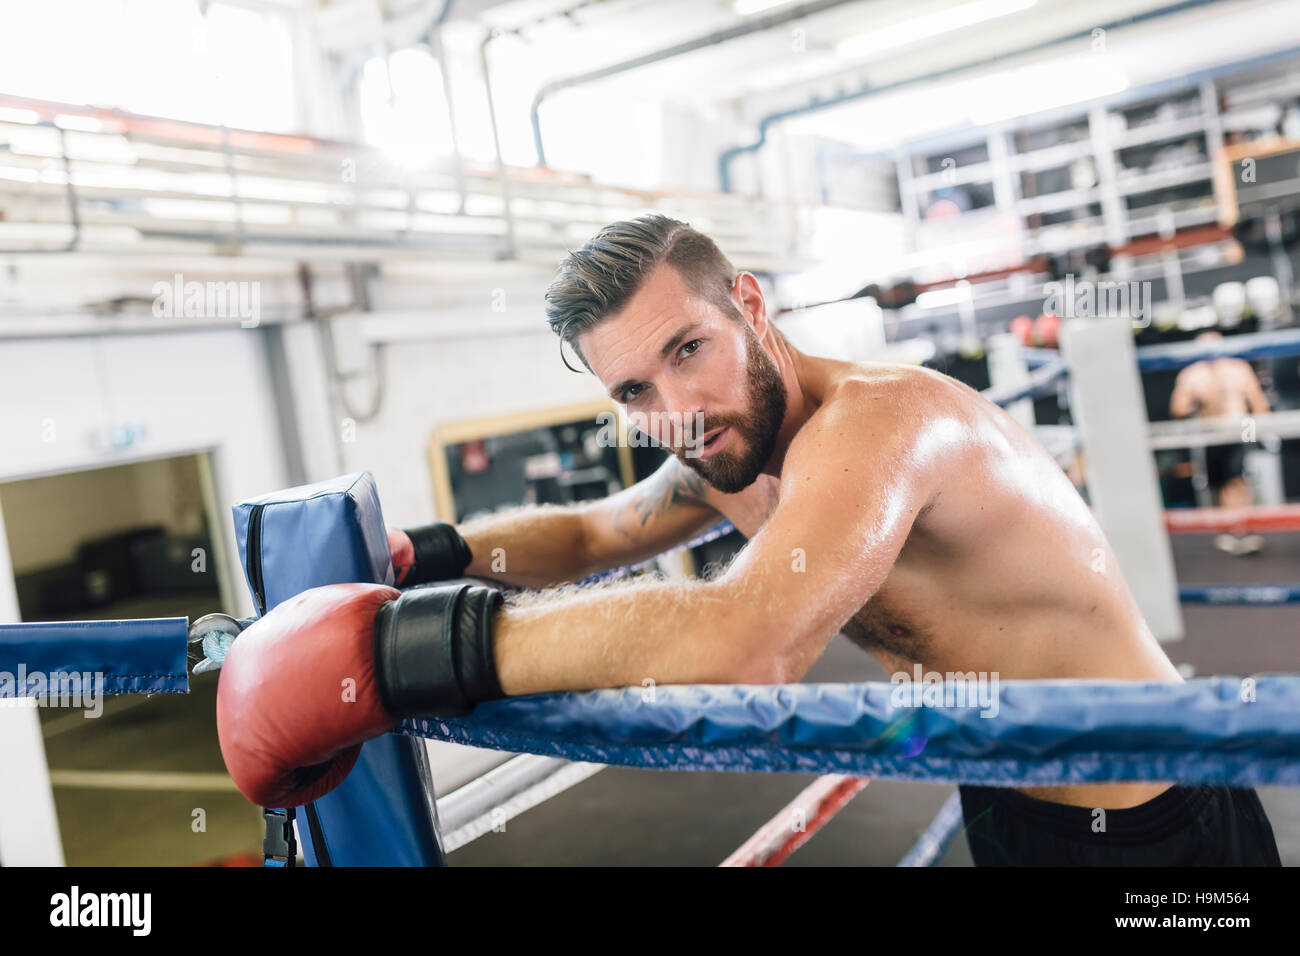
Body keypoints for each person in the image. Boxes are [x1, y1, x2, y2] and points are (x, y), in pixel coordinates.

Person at [218, 215, 1281, 866]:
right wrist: (429, 552)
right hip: (1005, 793)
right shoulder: (728, 449)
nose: (676, 407)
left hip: (1150, 813)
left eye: (689, 349)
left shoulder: (883, 425)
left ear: (750, 306)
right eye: (634, 388)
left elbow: (745, 637)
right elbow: (595, 530)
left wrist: (392, 657)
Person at [1169, 330, 1272, 555]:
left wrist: (1252, 435)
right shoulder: (1192, 375)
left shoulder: (1238, 369)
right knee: (1217, 484)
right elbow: (1178, 409)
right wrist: (1195, 399)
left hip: (1239, 431)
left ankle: (1240, 530)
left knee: (1238, 481)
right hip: (1210, 434)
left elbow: (1258, 405)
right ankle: (1230, 530)